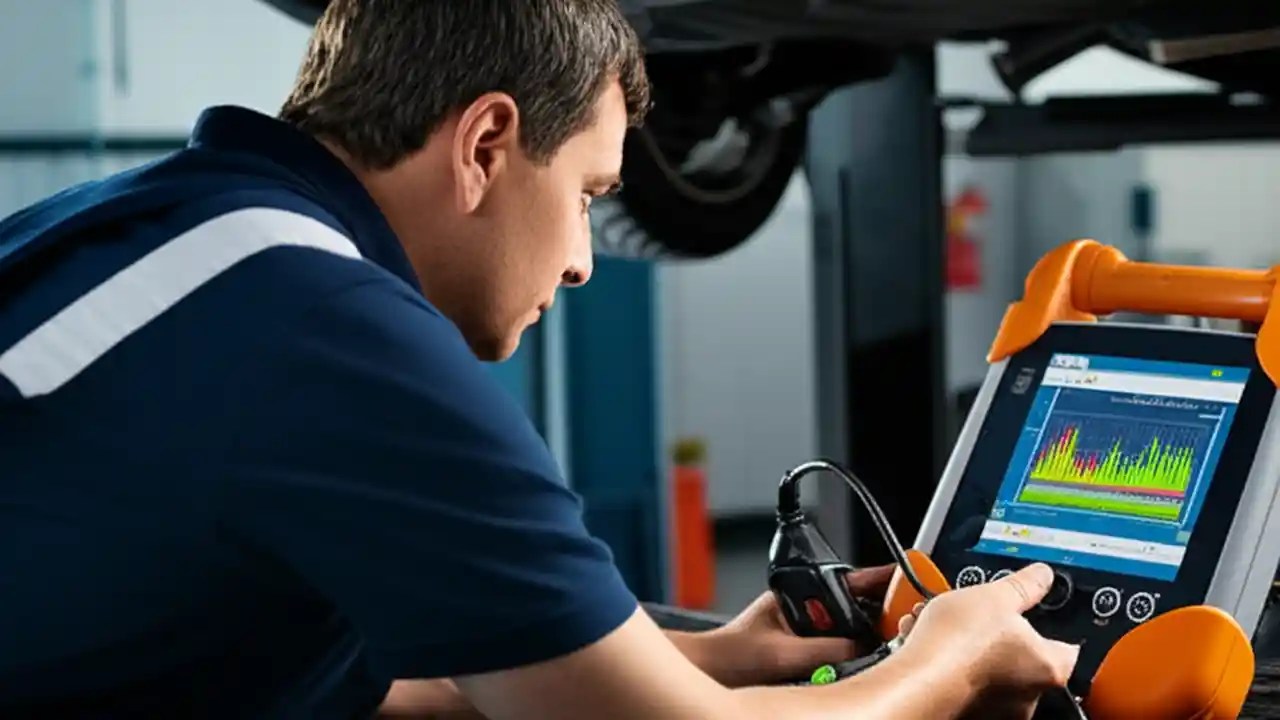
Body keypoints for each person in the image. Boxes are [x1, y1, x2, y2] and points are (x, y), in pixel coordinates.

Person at [0, 0, 1079, 717]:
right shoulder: (333, 331)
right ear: (483, 147)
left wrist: (708, 657)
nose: (579, 263)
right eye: (586, 198)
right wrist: (955, 652)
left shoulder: (135, 229)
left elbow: (396, 696)